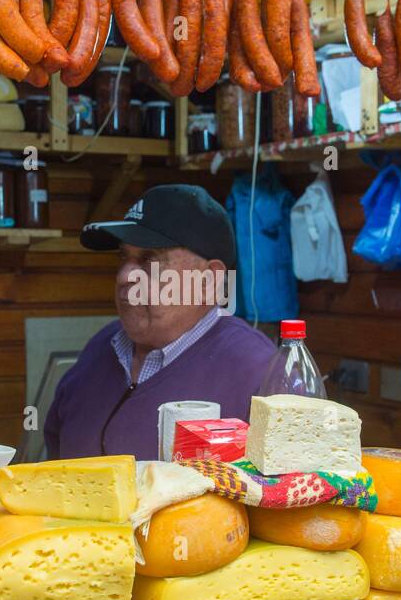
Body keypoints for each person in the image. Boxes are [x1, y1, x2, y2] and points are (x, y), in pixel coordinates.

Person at [43, 184, 276, 460]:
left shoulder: (259, 372)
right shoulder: (101, 347)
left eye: (149, 260)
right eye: (123, 258)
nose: (125, 276)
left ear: (209, 280)